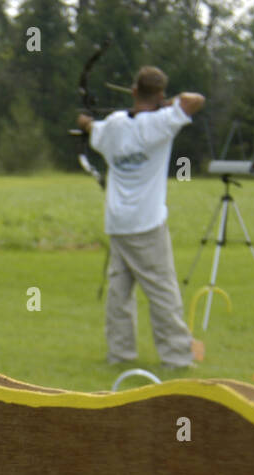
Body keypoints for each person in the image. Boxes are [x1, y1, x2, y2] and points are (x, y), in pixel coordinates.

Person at [77, 67, 205, 368]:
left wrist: (83, 117)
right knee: (162, 291)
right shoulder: (162, 122)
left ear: (134, 91)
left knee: (119, 293)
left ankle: (120, 354)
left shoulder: (114, 126)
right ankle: (176, 356)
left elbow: (87, 125)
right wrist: (167, 102)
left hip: (118, 223)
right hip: (146, 224)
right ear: (159, 95)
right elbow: (195, 100)